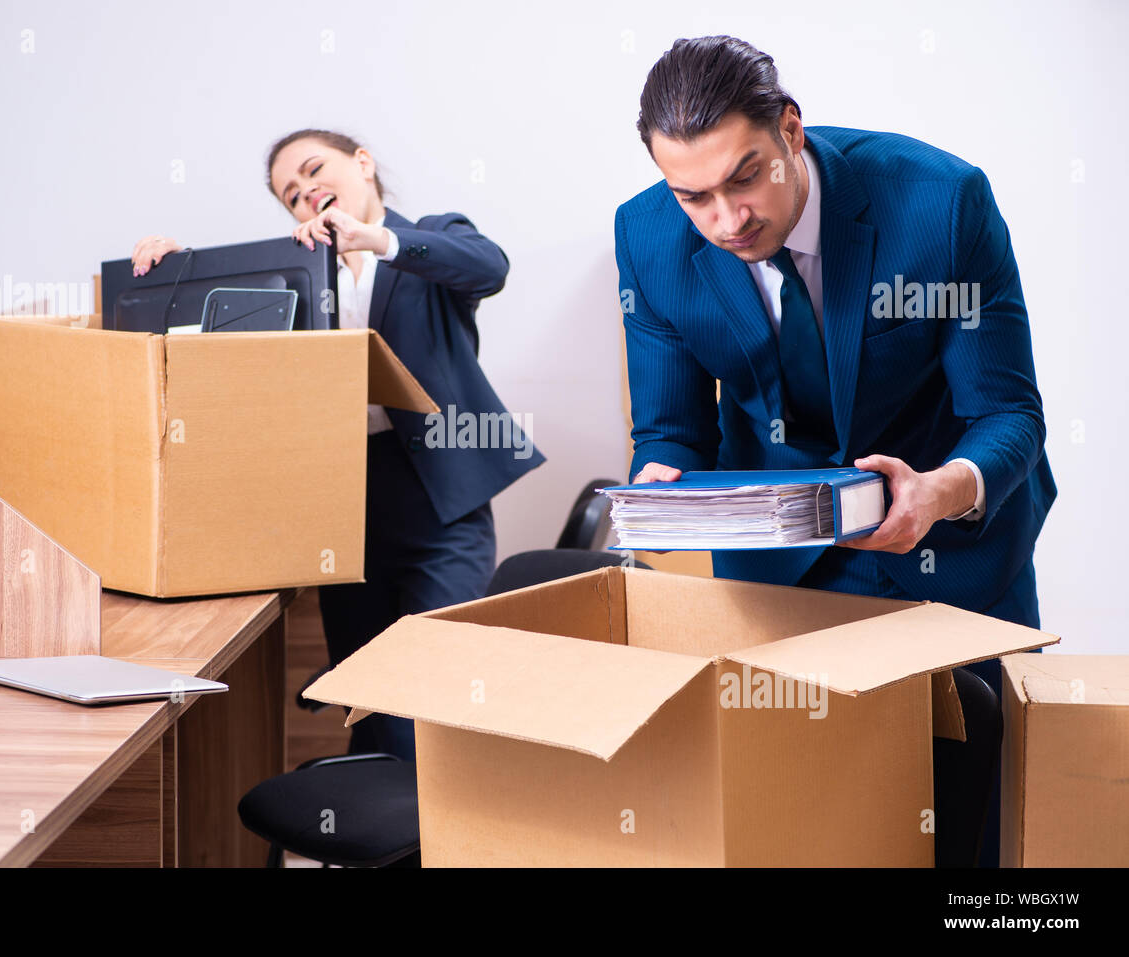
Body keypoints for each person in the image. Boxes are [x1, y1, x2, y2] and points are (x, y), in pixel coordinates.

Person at [616, 36, 1055, 866]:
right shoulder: (646, 238)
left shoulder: (939, 202)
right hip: (782, 564)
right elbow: (671, 429)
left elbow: (1008, 414)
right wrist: (658, 484)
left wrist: (941, 489)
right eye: (693, 195)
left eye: (744, 177)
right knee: (806, 816)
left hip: (950, 540)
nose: (726, 220)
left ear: (790, 129)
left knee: (975, 814)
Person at [132, 129, 543, 760]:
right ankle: (386, 849)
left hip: (441, 499)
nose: (305, 193)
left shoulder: (428, 239)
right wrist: (178, 268)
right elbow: (225, 330)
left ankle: (445, 844)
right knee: (367, 698)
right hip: (342, 509)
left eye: (313, 170)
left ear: (364, 162)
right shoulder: (298, 270)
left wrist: (376, 238)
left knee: (435, 697)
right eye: (291, 194)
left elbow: (490, 267)